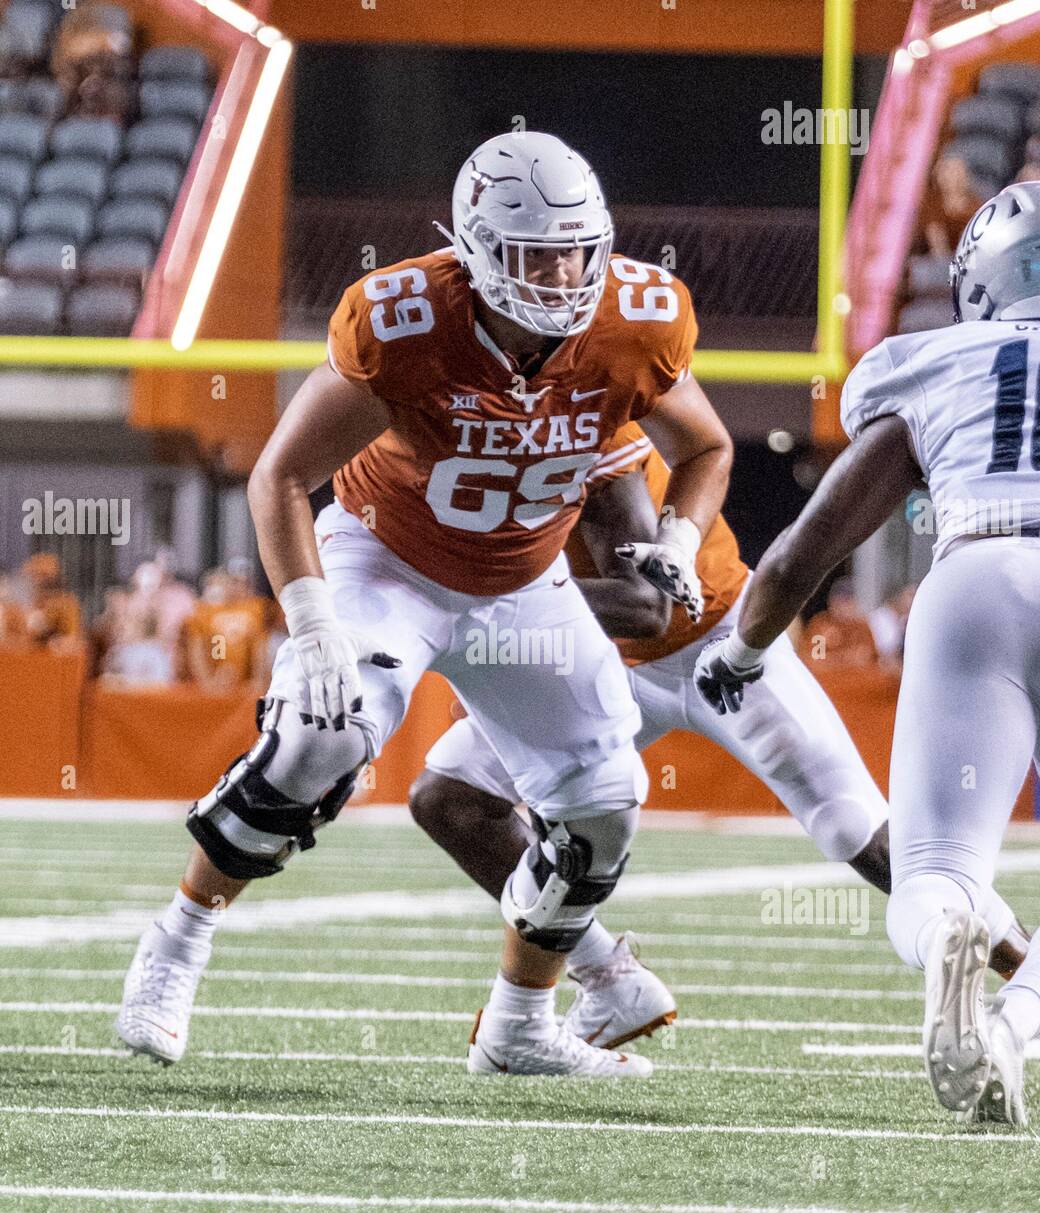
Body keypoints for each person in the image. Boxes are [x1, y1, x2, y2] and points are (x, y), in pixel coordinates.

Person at [116, 131, 732, 1078]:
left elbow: (708, 447)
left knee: (604, 808)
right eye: (534, 254)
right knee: (318, 740)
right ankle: (178, 943)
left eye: (577, 250)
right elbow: (279, 476)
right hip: (388, 563)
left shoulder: (636, 322)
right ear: (476, 249)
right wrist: (313, 621)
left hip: (524, 583)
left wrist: (681, 540)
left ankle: (519, 1026)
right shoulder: (406, 320)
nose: (562, 274)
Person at [412, 427, 1030, 1066]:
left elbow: (644, 604)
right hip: (605, 660)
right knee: (450, 796)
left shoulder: (583, 414)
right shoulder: (466, 433)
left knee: (859, 829)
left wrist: (488, 609)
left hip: (721, 644)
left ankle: (1024, 965)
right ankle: (611, 978)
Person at [693, 181, 1040, 1126]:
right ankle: (1013, 1031)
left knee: (934, 868)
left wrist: (742, 651)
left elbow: (805, 547)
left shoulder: (933, 361)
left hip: (975, 580)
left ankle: (947, 935)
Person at [798, 576, 878, 668]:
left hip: (857, 676)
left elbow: (872, 658)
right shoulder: (821, 624)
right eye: (841, 602)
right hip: (827, 676)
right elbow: (813, 660)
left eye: (849, 602)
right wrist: (844, 658)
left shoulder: (862, 625)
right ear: (831, 602)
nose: (845, 607)